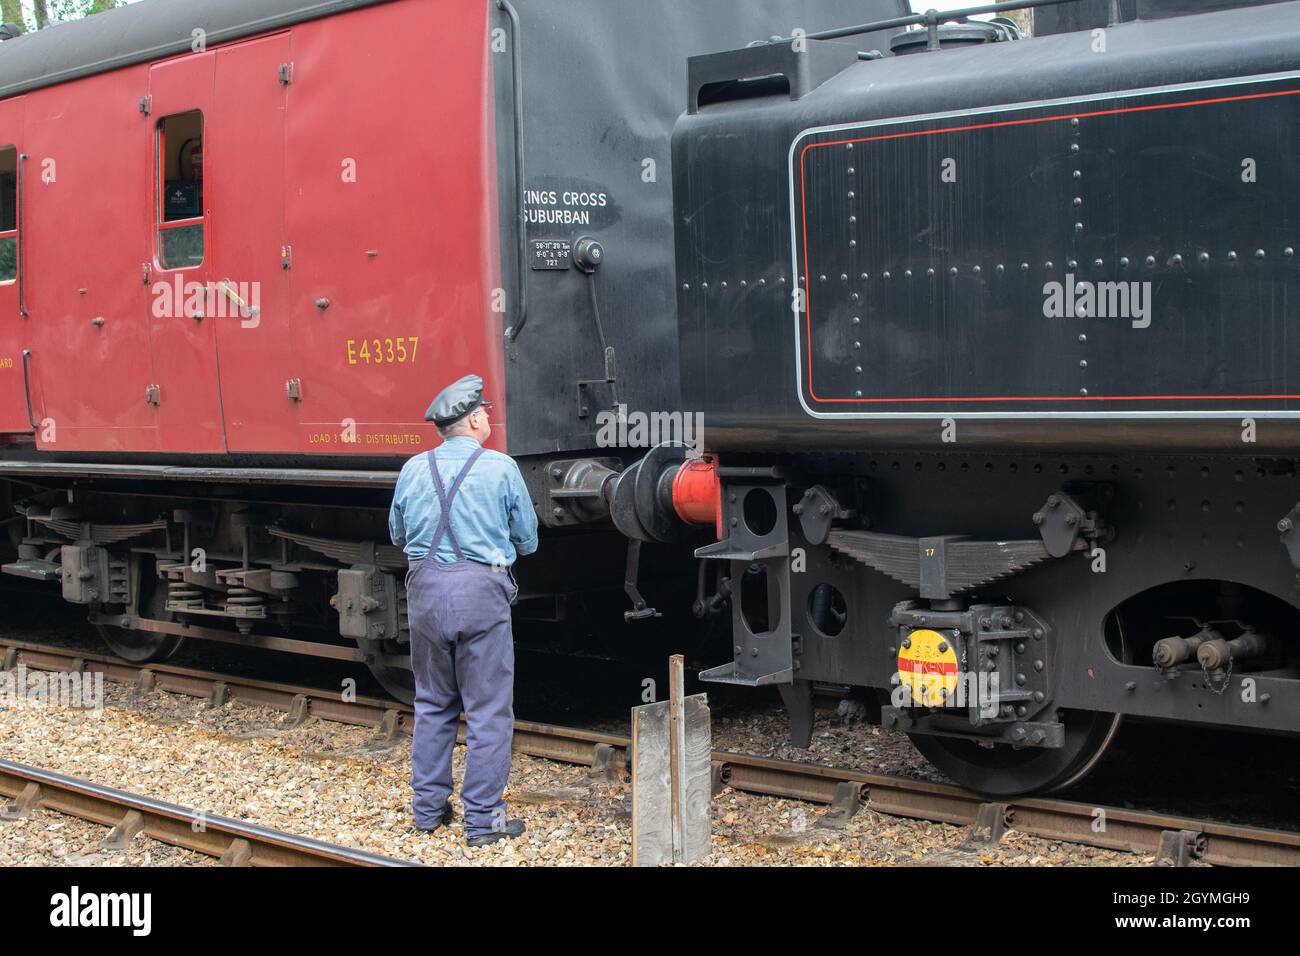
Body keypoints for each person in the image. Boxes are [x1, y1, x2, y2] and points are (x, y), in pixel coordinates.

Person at [388, 373, 538, 846]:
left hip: (426, 592)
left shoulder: (413, 469)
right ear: (473, 418)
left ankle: (428, 812)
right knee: (489, 711)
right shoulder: (501, 468)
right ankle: (483, 821)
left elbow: (397, 535)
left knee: (433, 703)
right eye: (485, 412)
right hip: (481, 592)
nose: (488, 417)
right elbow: (528, 540)